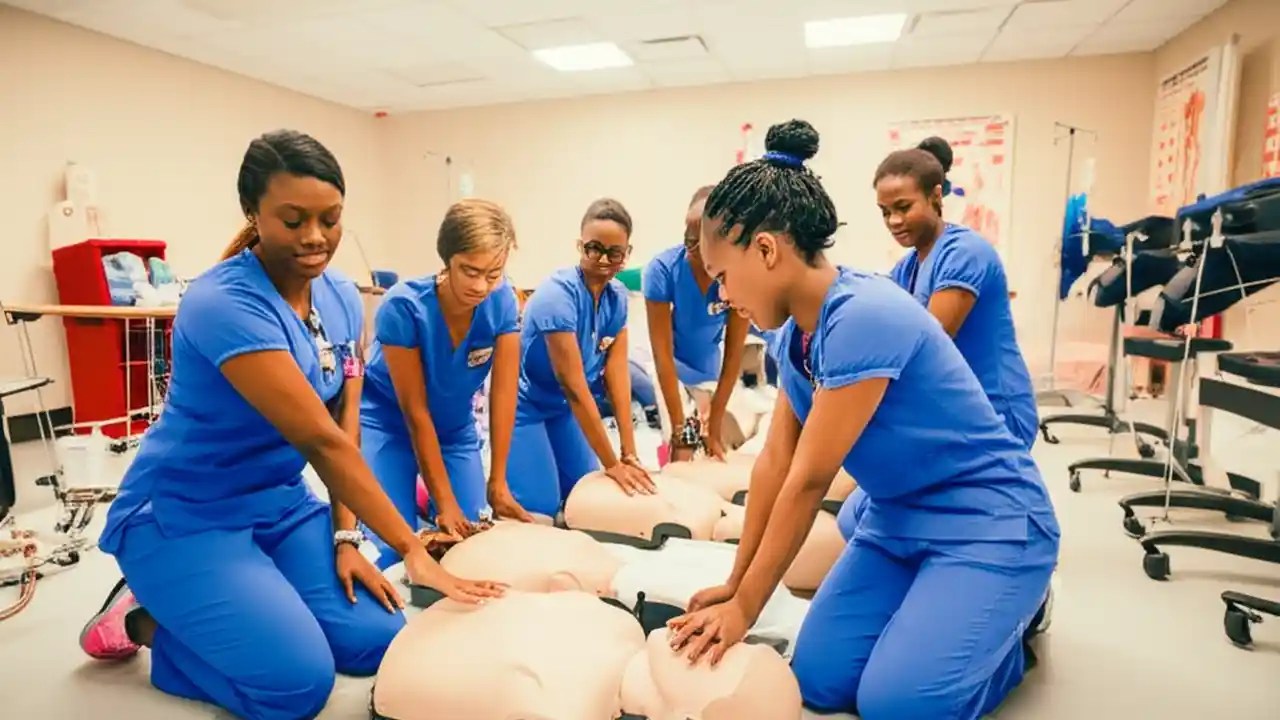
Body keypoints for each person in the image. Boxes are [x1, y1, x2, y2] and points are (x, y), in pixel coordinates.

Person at [77, 130, 504, 720]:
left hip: (277, 504)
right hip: (187, 513)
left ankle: (234, 599)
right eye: (293, 219)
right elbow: (320, 440)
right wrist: (409, 546)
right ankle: (147, 618)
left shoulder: (342, 298)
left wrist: (347, 536)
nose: (314, 237)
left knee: (376, 640)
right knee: (295, 686)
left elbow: (345, 422)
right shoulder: (224, 304)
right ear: (253, 213)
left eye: (330, 219)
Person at [666, 120, 1059, 720]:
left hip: (988, 521)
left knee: (896, 707)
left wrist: (746, 609)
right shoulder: (788, 340)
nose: (722, 297)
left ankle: (1012, 627)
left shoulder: (862, 315)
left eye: (723, 278)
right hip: (897, 519)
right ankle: (947, 620)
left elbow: (808, 481)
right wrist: (735, 581)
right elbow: (774, 465)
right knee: (819, 681)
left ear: (767, 250)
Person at [360, 198, 531, 570]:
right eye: (470, 271)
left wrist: (498, 479)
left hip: (453, 429)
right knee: (390, 552)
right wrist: (445, 500)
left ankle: (425, 496)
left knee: (469, 542)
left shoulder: (502, 301)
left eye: (494, 273)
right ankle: (422, 491)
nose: (481, 285)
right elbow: (415, 411)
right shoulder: (403, 308)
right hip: (388, 425)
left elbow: (504, 393)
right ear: (447, 259)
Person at [877, 137, 1038, 449]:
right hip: (952, 414)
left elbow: (929, 344)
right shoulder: (909, 266)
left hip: (997, 416)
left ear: (936, 196)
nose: (893, 221)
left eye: (903, 207)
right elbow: (880, 311)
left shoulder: (964, 252)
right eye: (885, 212)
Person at [505, 198, 656, 517]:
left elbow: (617, 378)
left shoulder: (618, 299)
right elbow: (573, 385)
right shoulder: (556, 296)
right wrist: (612, 464)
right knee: (540, 509)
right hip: (525, 407)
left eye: (615, 252)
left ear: (626, 254)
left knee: (583, 498)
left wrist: (629, 452)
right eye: (594, 248)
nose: (603, 259)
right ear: (580, 245)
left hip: (563, 411)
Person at [645, 186, 751, 461]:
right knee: (682, 448)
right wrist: (680, 428)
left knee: (727, 440)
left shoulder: (737, 274)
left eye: (699, 243)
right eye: (687, 239)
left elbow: (734, 354)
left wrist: (714, 421)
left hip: (710, 368)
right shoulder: (663, 270)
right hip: (672, 366)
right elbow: (662, 356)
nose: (691, 250)